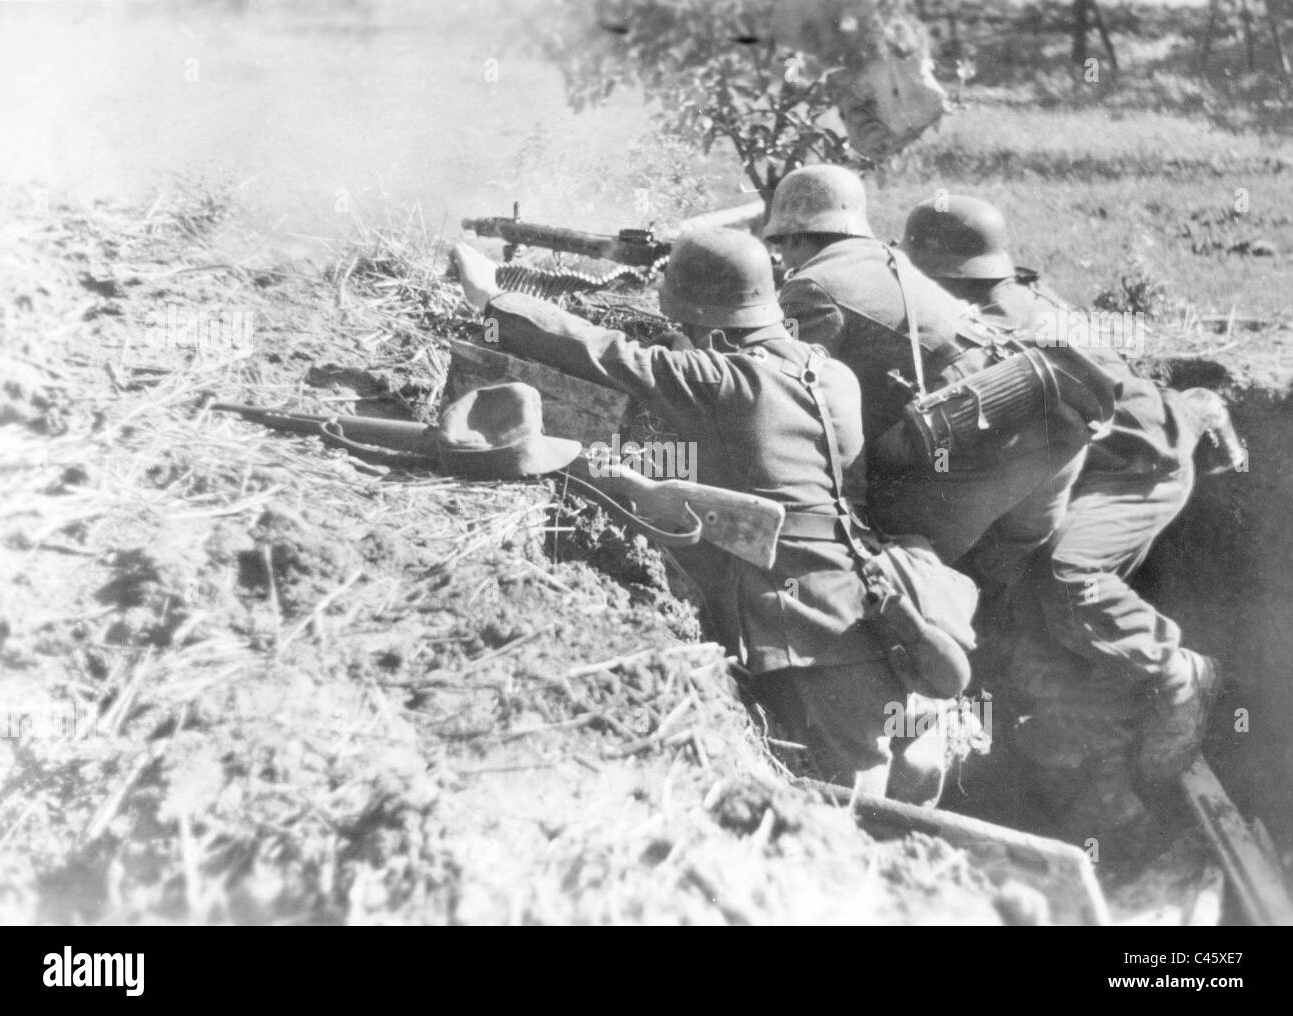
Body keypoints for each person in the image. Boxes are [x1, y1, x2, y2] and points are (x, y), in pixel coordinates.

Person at [451, 229, 958, 804]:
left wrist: (493, 299)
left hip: (812, 634)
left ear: (705, 325)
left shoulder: (722, 381)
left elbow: (609, 354)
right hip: (879, 612)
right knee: (898, 788)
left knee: (848, 812)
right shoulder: (832, 375)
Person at [901, 193, 1241, 852]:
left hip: (1140, 471)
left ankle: (1178, 670)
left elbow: (1035, 448)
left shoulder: (1001, 330)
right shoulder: (1016, 301)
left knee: (1065, 576)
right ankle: (1115, 817)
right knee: (1041, 632)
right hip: (1104, 461)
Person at [764, 165, 1091, 592]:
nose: (781, 258)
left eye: (781, 243)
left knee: (871, 561)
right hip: (1036, 423)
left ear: (797, 234)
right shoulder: (889, 260)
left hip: (977, 442)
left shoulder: (812, 288)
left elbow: (779, 397)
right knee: (992, 586)